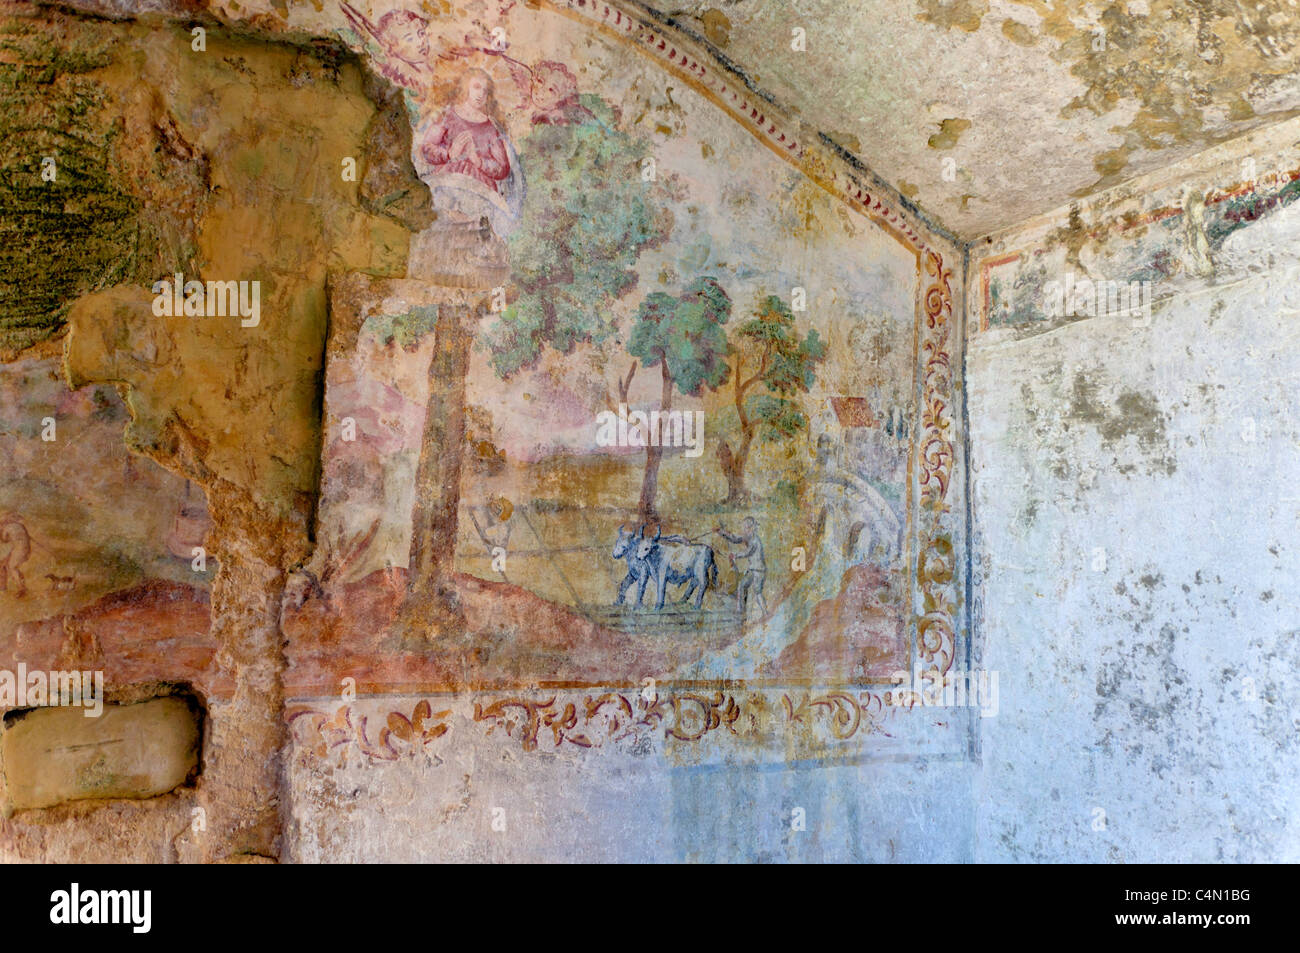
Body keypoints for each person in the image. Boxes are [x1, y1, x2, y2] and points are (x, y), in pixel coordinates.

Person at [714, 517, 766, 619]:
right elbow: (735, 539)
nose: (743, 530)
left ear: (751, 528)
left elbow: (748, 552)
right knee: (742, 585)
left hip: (758, 571)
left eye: (745, 528)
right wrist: (722, 533)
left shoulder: (755, 540)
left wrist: (735, 555)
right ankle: (740, 611)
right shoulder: (748, 537)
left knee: (758, 592)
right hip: (753, 570)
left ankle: (765, 613)